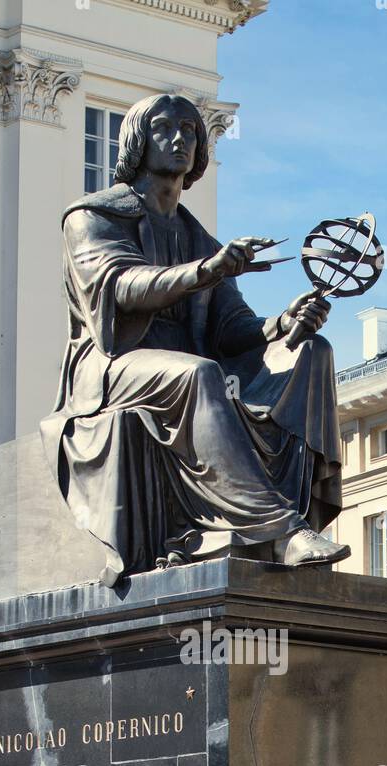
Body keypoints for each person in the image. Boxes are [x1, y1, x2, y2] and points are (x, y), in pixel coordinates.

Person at [40, 93, 350, 587]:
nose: (180, 137)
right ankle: (281, 531)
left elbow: (233, 329)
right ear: (138, 141)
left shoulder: (198, 236)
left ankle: (290, 522)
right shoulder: (92, 217)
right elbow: (122, 287)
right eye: (164, 127)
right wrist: (207, 271)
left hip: (187, 369)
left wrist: (282, 323)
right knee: (199, 374)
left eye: (190, 129)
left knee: (312, 351)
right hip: (112, 365)